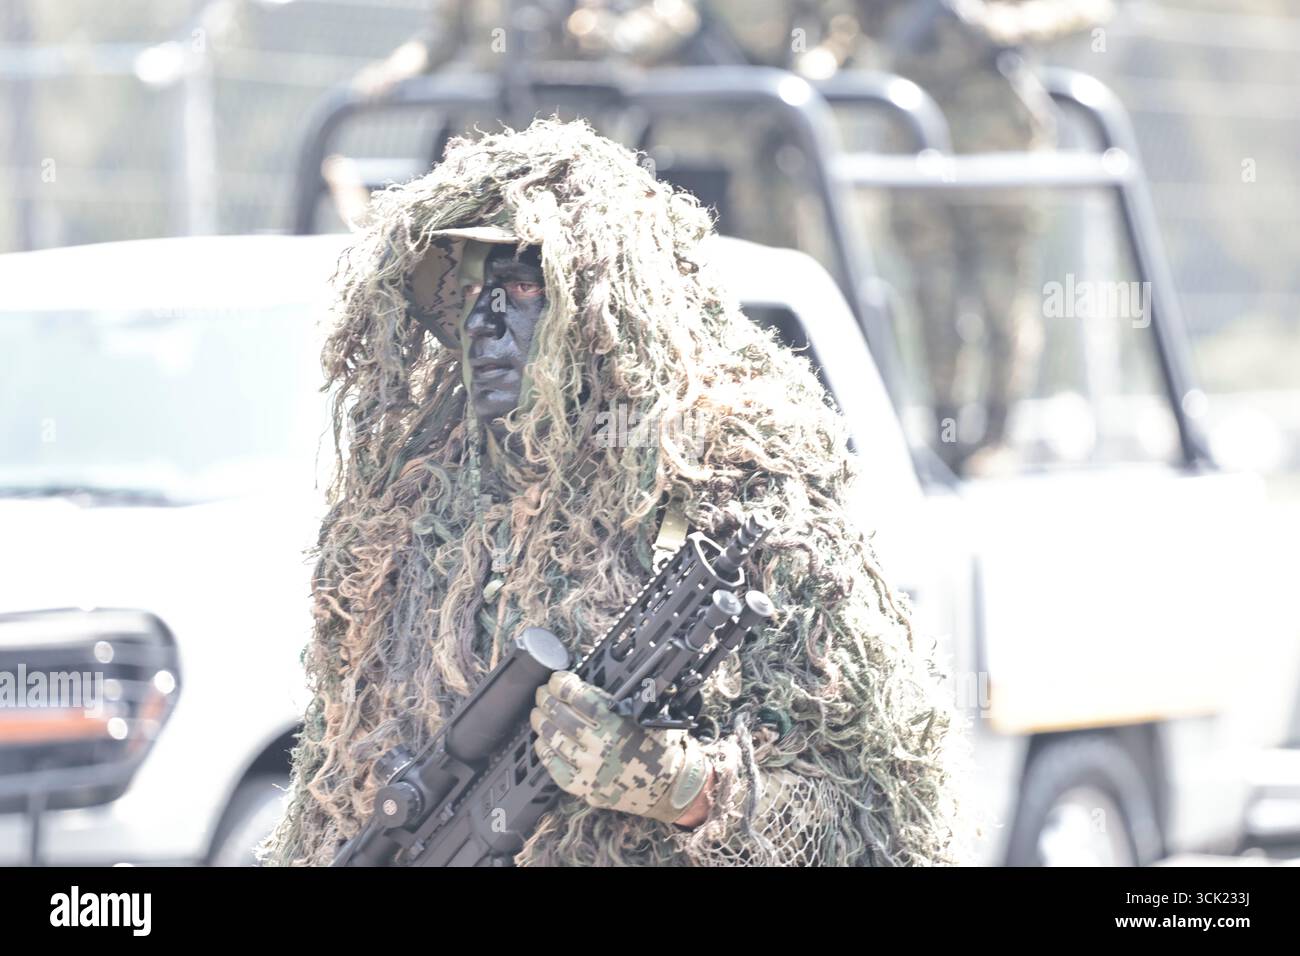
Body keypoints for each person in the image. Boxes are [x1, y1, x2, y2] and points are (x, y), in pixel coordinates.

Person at [261, 118, 957, 866]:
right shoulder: (402, 512)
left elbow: (881, 820)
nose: (487, 323)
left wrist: (692, 788)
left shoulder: (741, 501)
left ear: (603, 315)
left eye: (524, 287)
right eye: (473, 293)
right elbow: (337, 782)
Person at [800, 0, 1114, 473]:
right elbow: (849, 26)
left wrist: (1008, 24)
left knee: (1000, 295)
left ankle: (996, 433)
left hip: (998, 144)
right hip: (917, 141)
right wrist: (821, 59)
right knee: (934, 292)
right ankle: (944, 429)